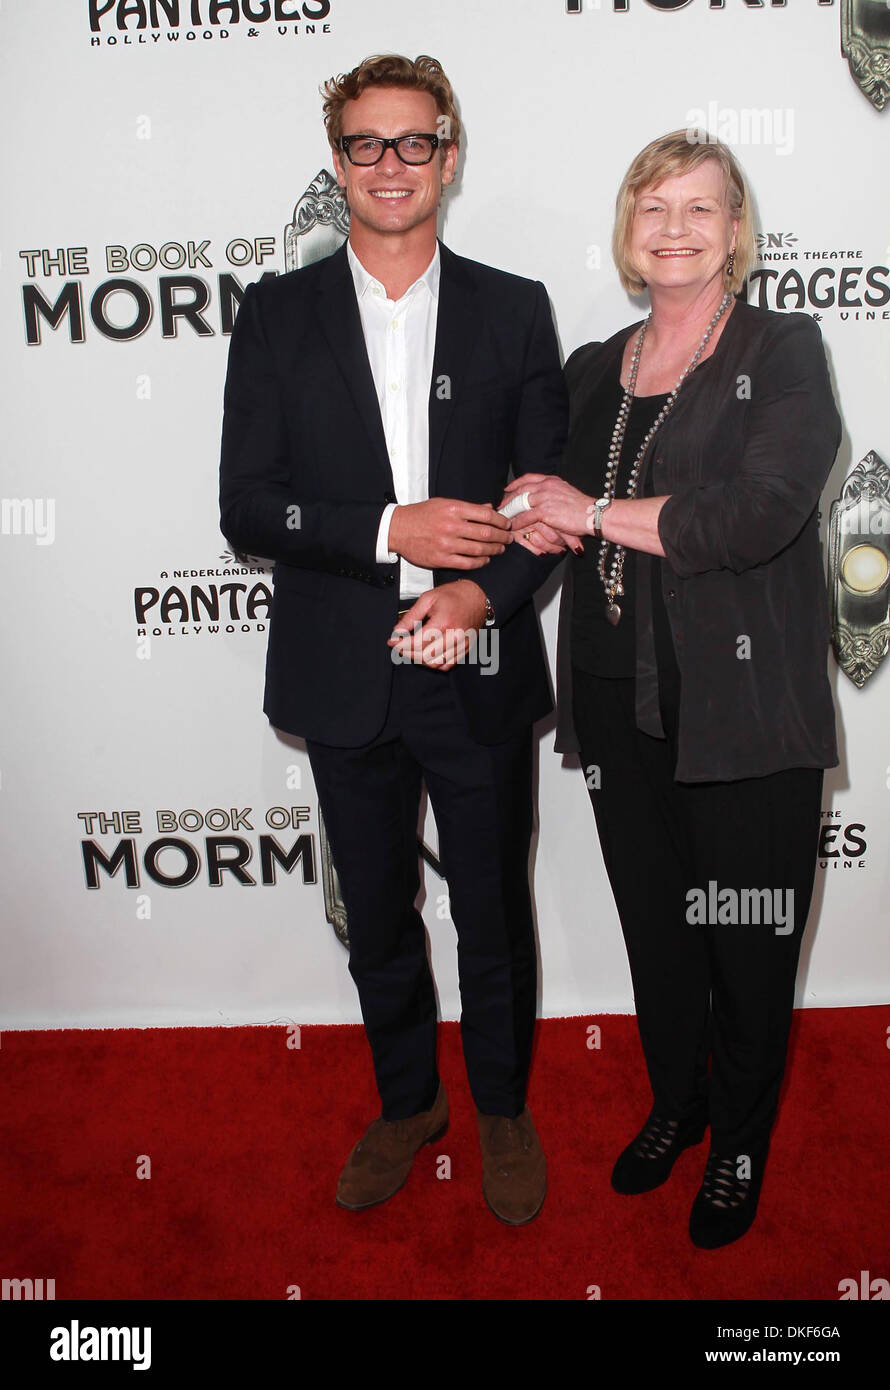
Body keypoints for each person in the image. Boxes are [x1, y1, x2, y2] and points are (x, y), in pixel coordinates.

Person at [219, 54, 568, 1225]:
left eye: (412, 142)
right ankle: (409, 1100)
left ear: (448, 157)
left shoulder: (513, 308)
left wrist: (478, 595)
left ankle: (502, 1112)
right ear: (338, 163)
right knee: (374, 910)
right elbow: (248, 506)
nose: (389, 165)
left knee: (491, 908)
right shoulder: (273, 314)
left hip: (471, 662)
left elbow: (541, 507)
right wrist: (388, 529)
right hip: (343, 665)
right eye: (365, 144)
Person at [501, 131, 841, 1248]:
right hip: (612, 702)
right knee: (658, 930)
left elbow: (753, 516)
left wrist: (588, 512)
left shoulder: (780, 349)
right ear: (625, 227)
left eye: (701, 208)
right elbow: (537, 516)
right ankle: (676, 1101)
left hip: (742, 714)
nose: (675, 228)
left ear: (735, 232)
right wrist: (485, 551)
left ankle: (738, 1140)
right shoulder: (594, 365)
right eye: (652, 207)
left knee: (745, 938)